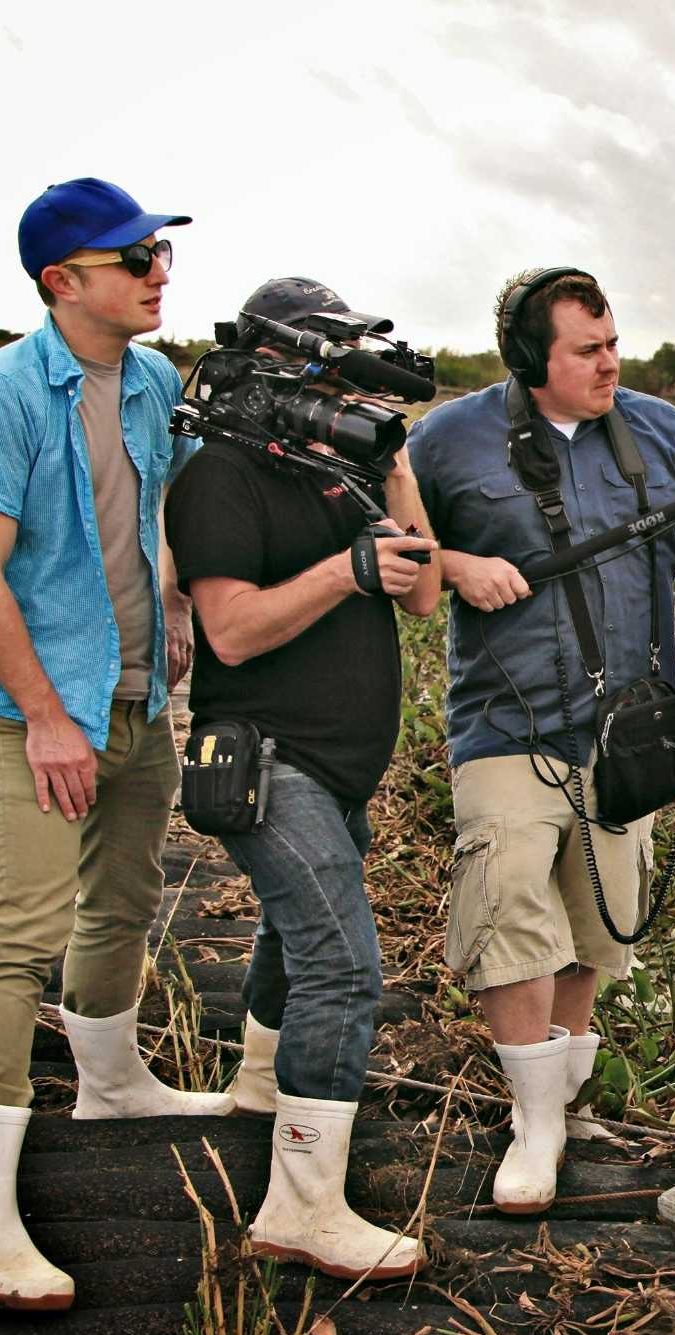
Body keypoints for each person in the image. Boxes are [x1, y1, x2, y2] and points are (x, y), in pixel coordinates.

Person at [407, 268, 675, 1213]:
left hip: (629, 729)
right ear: (528, 358)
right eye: (587, 349)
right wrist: (457, 563)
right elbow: (390, 542)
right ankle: (533, 1124)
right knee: (507, 910)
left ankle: (565, 1104)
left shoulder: (661, 429)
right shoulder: (447, 438)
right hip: (505, 722)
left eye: (614, 342)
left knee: (595, 924)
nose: (610, 362)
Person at [0, 179, 225, 1314]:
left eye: (160, 255)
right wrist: (45, 714)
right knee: (18, 930)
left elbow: (157, 521)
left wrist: (178, 608)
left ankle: (112, 1082)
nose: (156, 273)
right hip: (32, 709)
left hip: (136, 697)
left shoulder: (154, 382)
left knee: (125, 899)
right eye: (132, 257)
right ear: (62, 280)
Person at [165, 277, 441, 1280]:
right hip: (262, 759)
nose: (341, 389)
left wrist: (395, 465)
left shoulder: (339, 476)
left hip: (335, 767)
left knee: (294, 933)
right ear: (278, 365)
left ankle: (255, 1088)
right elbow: (230, 628)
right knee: (341, 965)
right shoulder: (222, 477)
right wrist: (346, 573)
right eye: (326, 364)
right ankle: (300, 1204)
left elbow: (423, 597)